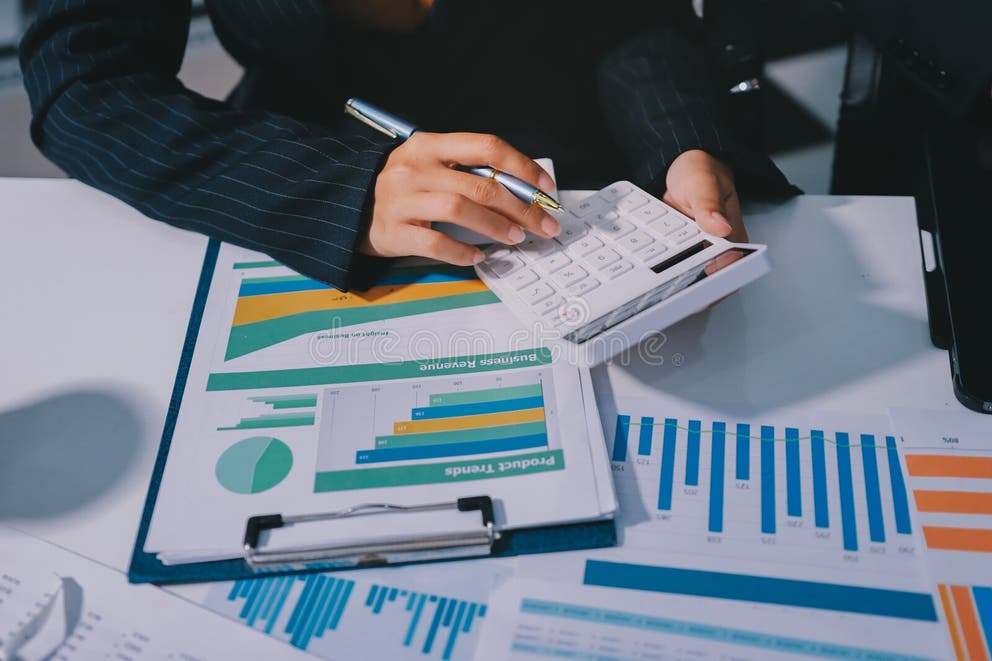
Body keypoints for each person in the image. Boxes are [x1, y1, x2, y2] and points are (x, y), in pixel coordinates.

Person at [20, 0, 795, 291]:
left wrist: (681, 143)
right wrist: (341, 191)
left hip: (582, 193)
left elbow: (628, 16)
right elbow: (82, 80)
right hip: (296, 184)